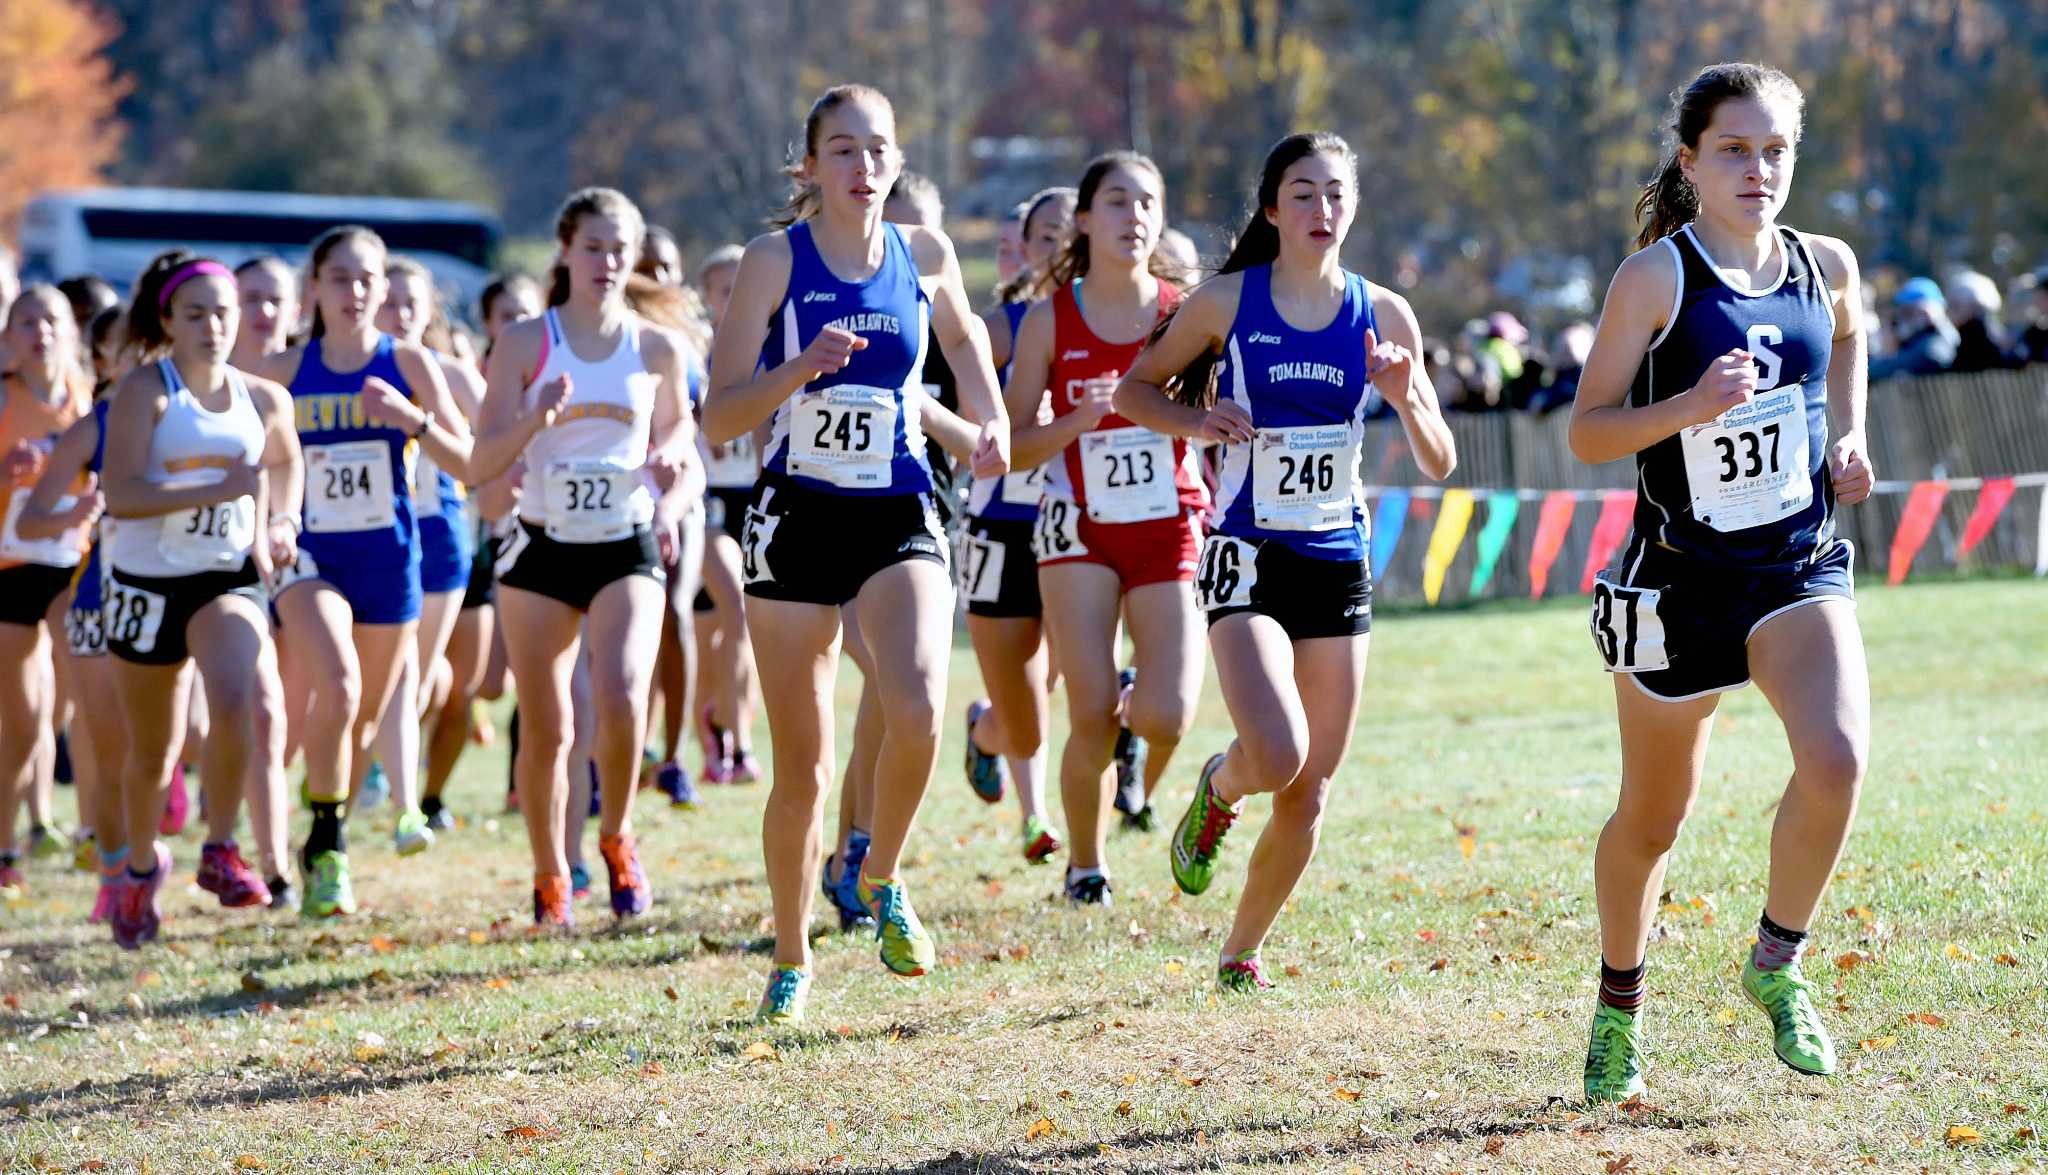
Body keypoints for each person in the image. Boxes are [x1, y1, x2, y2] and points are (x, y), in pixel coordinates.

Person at [1566, 63, 1875, 1101]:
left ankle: (1776, 961)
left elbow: (1848, 335)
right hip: (1678, 584)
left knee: (1835, 758)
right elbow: (1587, 431)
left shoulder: (1823, 263)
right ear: (1690, 160)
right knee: (1653, 818)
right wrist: (1689, 406)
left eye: (1776, 150)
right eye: (1735, 150)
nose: (1758, 169)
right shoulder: (1655, 279)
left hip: (1794, 564)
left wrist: (1848, 436)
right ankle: (1618, 1006)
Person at [1116, 130, 1455, 988]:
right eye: (1303, 193)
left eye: (1336, 193)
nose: (1321, 209)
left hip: (1336, 559)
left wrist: (1403, 397)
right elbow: (1133, 390)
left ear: (1354, 207)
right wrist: (1198, 422)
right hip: (1247, 550)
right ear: (1272, 209)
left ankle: (1241, 951)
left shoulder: (1385, 313)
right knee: (1276, 751)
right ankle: (1220, 788)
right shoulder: (1226, 303)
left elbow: (1440, 458)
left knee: (1310, 791)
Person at [703, 83, 1008, 1024]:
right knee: (804, 768)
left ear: (897, 161)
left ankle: (880, 871)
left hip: (897, 508)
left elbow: (964, 336)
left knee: (917, 704)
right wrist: (799, 368)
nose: (862, 166)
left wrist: (991, 416)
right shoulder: (772, 261)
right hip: (795, 516)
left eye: (877, 149)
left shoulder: (926, 253)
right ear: (809, 167)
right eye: (842, 149)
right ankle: (790, 957)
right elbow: (719, 415)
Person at [471, 188, 695, 929]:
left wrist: (669, 476)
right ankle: (550, 875)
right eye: (593, 247)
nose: (607, 262)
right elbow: (481, 459)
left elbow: (684, 440)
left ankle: (617, 836)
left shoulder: (655, 348)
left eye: (619, 249)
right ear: (565, 251)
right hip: (542, 545)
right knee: (549, 728)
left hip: (626, 542)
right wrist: (536, 418)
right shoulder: (525, 343)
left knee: (624, 697)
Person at [1003, 151, 1203, 906]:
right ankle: (1086, 865)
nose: (1135, 216)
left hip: (1169, 523)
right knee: (1088, 714)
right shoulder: (1048, 320)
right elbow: (1011, 446)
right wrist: (1076, 422)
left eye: (1148, 202)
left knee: (1166, 715)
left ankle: (1134, 752)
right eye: (1117, 201)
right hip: (1079, 529)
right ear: (1084, 220)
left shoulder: (1185, 313)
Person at [257, 226, 473, 918]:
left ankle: (324, 814)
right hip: (310, 556)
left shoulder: (409, 362)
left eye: (365, 279)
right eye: (339, 278)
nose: (353, 291)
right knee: (339, 683)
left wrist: (412, 420)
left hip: (389, 558)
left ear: (383, 288)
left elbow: (469, 462)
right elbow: (247, 458)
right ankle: (329, 846)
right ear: (314, 288)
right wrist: (273, 522)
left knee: (364, 716)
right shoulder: (282, 372)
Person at [98, 252, 303, 946]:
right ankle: (138, 867)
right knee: (153, 753)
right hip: (146, 583)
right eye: (196, 315)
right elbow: (121, 494)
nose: (213, 327)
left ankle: (220, 848)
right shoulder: (146, 392)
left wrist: (282, 520)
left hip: (225, 573)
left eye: (223, 313)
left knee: (238, 696)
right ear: (168, 322)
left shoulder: (263, 398)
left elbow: (284, 459)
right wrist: (218, 489)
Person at [957, 187, 1075, 866]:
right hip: (1000, 523)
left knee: (1058, 680)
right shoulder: (997, 329)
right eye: (1047, 237)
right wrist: (1005, 427)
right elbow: (952, 416)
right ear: (1026, 250)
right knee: (1025, 696)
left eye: (1071, 235)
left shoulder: (1109, 325)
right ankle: (1024, 795)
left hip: (1076, 523)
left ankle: (1040, 809)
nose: (1062, 249)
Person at [363, 256, 486, 855]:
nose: (400, 315)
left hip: (439, 533)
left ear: (429, 310)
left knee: (420, 671)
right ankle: (374, 771)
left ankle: (388, 778)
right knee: (393, 669)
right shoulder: (356, 372)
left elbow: (490, 445)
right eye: (390, 303)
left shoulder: (451, 374)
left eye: (412, 304)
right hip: (375, 535)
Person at [0, 286, 95, 892]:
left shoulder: (89, 400)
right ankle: (5, 846)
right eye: (27, 322)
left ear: (71, 331)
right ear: (9, 336)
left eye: (51, 321)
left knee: (90, 685)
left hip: (71, 563)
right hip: (10, 569)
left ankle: (96, 831)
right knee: (22, 720)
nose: (40, 332)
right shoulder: (3, 398)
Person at [690, 245, 762, 786]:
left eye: (745, 285)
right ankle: (726, 743)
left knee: (737, 626)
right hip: (707, 503)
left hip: (756, 499)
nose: (737, 297)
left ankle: (732, 735)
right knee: (730, 614)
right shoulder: (692, 354)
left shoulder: (773, 348)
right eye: (725, 289)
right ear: (708, 298)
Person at [1868, 277, 1954, 380]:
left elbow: (1926, 357)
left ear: (1927, 313)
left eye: (1908, 312)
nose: (1901, 319)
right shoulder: (1915, 340)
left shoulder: (1935, 343)